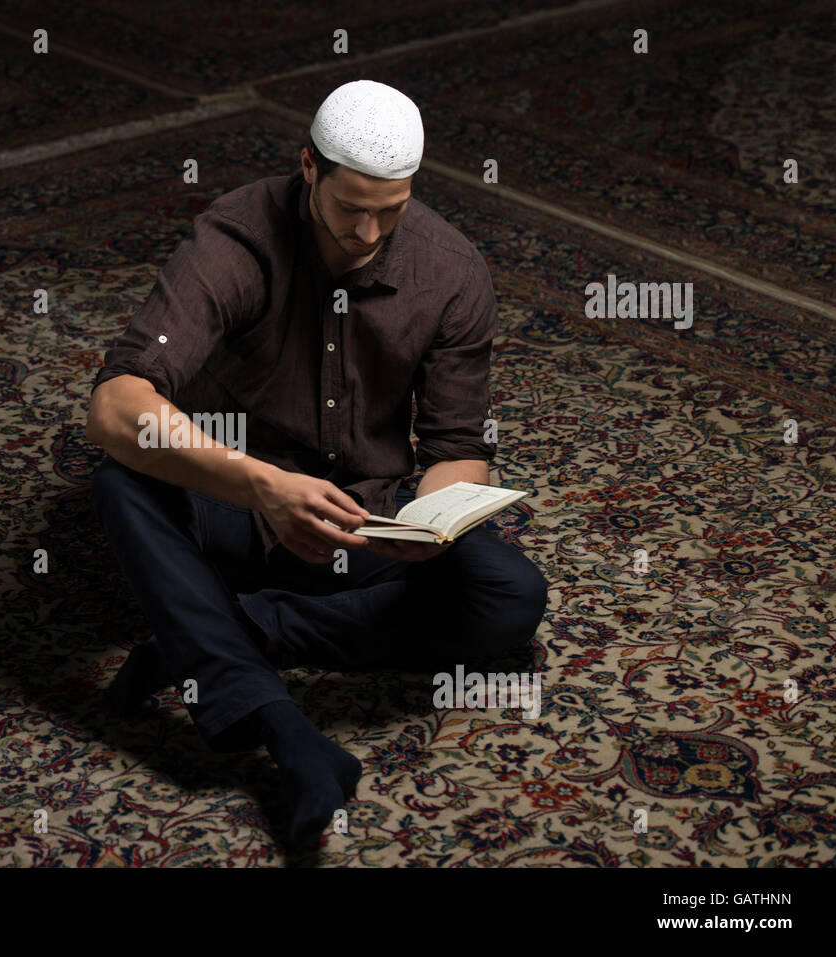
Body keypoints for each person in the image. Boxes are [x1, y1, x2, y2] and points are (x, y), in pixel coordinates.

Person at [85, 80, 548, 849]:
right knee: (123, 479)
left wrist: (422, 525)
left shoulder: (453, 270)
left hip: (360, 526)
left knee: (509, 596)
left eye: (390, 210)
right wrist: (262, 486)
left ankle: (218, 635)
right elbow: (114, 405)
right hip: (232, 508)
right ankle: (287, 732)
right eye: (350, 207)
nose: (368, 231)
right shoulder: (236, 240)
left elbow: (458, 446)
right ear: (309, 166)